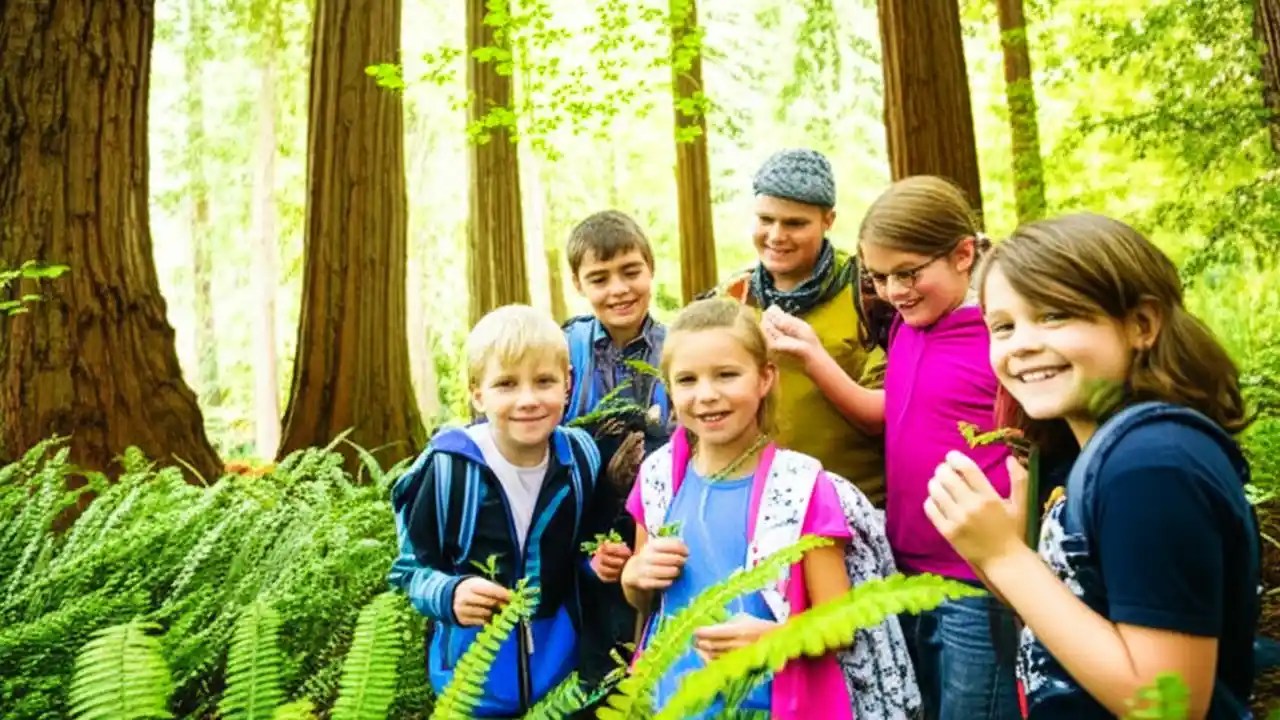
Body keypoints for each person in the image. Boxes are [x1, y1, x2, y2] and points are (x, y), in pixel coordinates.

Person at [924, 213, 1260, 719]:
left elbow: (1170, 704)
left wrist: (1004, 558)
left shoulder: (1150, 465)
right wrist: (1006, 555)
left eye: (1055, 315)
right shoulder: (1100, 456)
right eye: (1003, 327)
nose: (1022, 344)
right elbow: (1077, 631)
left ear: (1141, 325)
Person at [763, 176, 1021, 720]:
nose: (894, 290)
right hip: (905, 574)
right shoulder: (908, 329)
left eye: (908, 273)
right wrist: (811, 355)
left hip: (976, 582)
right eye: (879, 276)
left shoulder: (996, 338)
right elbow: (885, 416)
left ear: (962, 254)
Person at [387, 304, 629, 717]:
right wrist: (451, 594)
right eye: (506, 384)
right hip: (469, 680)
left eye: (544, 382)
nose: (528, 400)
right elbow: (408, 572)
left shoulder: (581, 457)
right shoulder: (449, 467)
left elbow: (578, 553)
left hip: (562, 678)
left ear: (567, 385)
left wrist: (599, 563)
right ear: (477, 392)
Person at [620, 298, 856, 719]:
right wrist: (634, 576)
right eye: (687, 380)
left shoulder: (801, 486)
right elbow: (645, 599)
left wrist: (777, 639)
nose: (707, 395)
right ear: (670, 390)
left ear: (765, 378)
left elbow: (840, 626)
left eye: (727, 375)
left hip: (773, 705)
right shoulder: (658, 478)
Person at [705, 149, 890, 505]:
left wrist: (813, 360)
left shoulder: (869, 294)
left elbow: (885, 418)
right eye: (765, 219)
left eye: (794, 223)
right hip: (756, 508)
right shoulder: (732, 299)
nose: (776, 235)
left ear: (828, 220)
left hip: (853, 507)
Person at [560, 209, 672, 690]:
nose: (619, 289)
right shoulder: (566, 348)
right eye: (599, 278)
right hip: (583, 520)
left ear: (650, 268)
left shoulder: (677, 347)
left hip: (657, 520)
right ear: (578, 284)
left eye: (631, 272)